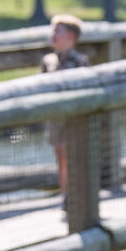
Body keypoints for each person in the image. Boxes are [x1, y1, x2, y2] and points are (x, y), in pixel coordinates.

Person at [40, 13, 91, 193]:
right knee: (60, 155)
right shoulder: (48, 61)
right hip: (55, 118)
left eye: (57, 31)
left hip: (74, 118)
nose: (52, 35)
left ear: (71, 37)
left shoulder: (79, 61)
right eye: (52, 30)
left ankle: (77, 194)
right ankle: (66, 194)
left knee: (73, 155)